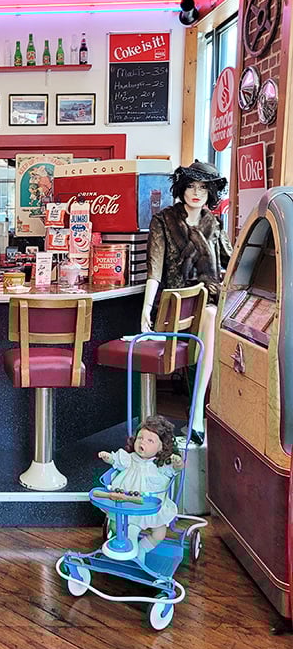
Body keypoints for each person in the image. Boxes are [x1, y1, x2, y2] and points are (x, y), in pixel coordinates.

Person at [142, 160, 232, 434]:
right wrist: (147, 308)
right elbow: (155, 269)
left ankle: (196, 411)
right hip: (175, 305)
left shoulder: (213, 223)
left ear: (210, 193)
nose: (196, 193)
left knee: (211, 314)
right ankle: (196, 412)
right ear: (182, 188)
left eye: (203, 188)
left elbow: (232, 260)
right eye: (191, 186)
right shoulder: (163, 221)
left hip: (207, 302)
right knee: (208, 316)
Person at [98, 415, 184, 557]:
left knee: (159, 533)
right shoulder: (129, 458)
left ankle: (142, 547)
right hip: (125, 502)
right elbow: (116, 461)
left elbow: (175, 469)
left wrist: (177, 463)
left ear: (161, 447)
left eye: (150, 440)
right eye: (140, 438)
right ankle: (119, 541)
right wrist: (108, 457)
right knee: (115, 523)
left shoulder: (161, 464)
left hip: (150, 505)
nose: (142, 442)